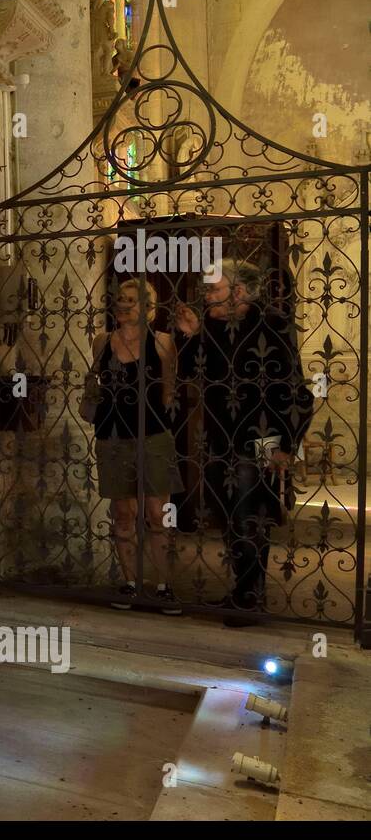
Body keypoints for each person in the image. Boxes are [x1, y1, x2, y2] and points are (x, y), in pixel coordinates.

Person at [174, 259, 312, 614]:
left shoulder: (272, 323)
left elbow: (294, 390)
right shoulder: (213, 327)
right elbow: (191, 370)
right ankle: (245, 587)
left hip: (259, 438)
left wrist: (287, 445)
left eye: (213, 290)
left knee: (248, 515)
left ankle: (250, 595)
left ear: (238, 292)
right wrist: (189, 335)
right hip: (221, 437)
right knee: (228, 514)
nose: (207, 298)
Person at [90, 277, 182, 613]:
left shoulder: (162, 343)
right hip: (112, 436)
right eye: (120, 298)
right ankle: (130, 584)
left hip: (153, 435)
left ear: (148, 308)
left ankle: (163, 586)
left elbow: (169, 391)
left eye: (132, 299)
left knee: (157, 513)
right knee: (123, 512)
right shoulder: (101, 341)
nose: (123, 304)